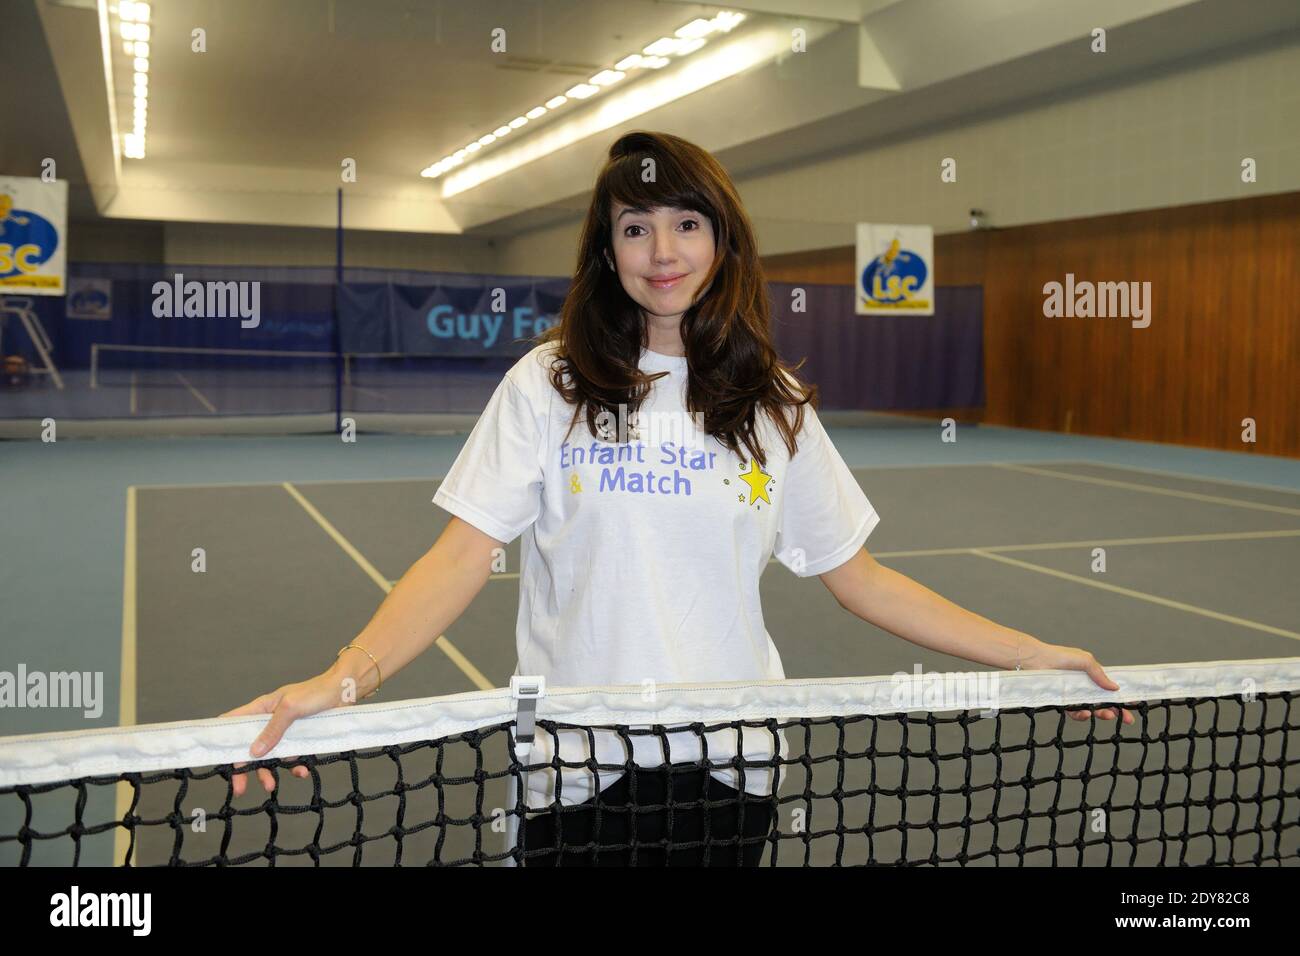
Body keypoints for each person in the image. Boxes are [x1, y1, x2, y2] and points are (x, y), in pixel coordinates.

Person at [223, 130, 1132, 867]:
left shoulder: (770, 400)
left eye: (686, 223)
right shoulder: (549, 383)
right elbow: (461, 556)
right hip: (578, 771)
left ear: (721, 239)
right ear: (606, 250)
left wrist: (1029, 653)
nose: (663, 252)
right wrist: (338, 683)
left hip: (729, 772)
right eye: (634, 228)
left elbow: (858, 576)